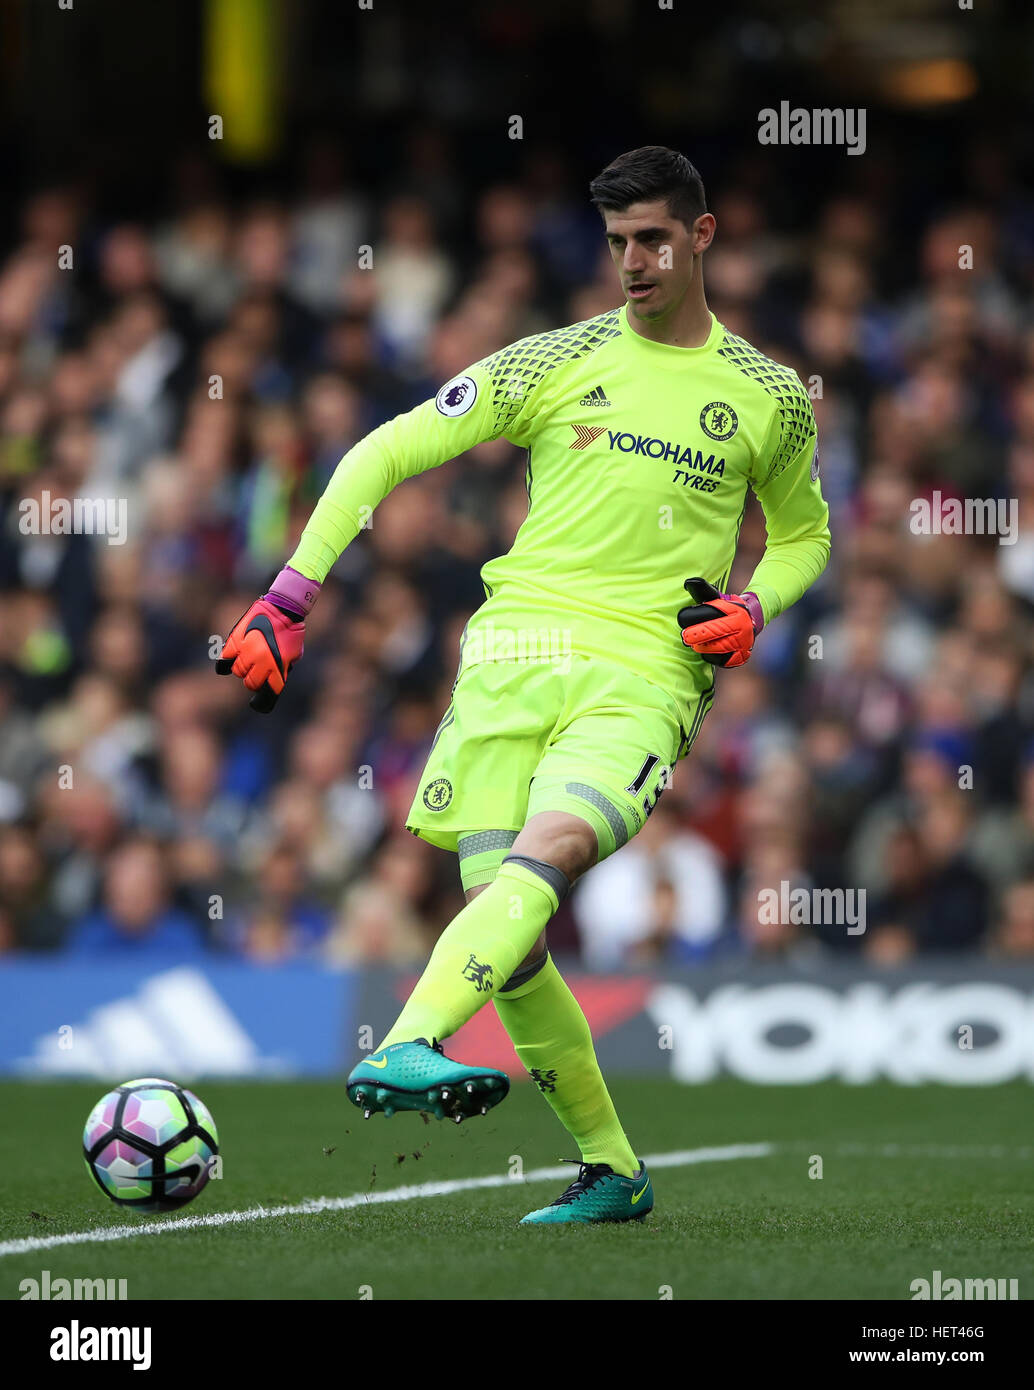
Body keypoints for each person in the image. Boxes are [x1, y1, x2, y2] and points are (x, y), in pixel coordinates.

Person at [216, 147, 830, 1224]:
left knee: (548, 855)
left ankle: (406, 1038)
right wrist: (285, 598)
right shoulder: (555, 358)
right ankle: (613, 1171)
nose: (631, 262)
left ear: (701, 236)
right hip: (504, 662)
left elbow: (804, 537)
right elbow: (384, 451)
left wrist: (754, 607)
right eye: (615, 243)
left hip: (643, 669)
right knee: (517, 935)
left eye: (650, 238)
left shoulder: (768, 395)